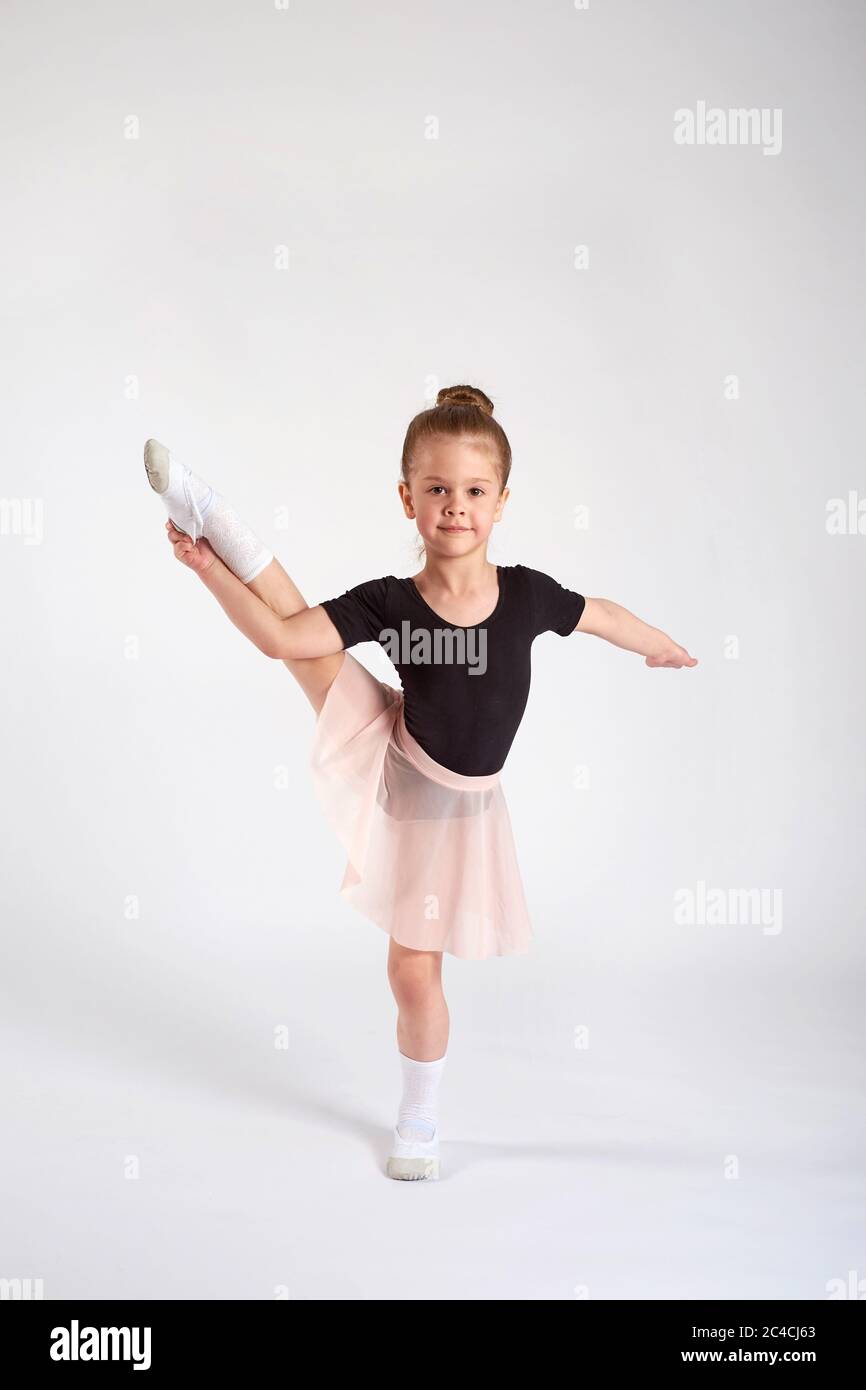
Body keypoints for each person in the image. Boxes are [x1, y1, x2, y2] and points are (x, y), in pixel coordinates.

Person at [143, 384, 697, 1182]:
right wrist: (204, 567)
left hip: (459, 807)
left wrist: (659, 643)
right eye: (437, 490)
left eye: (474, 492)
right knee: (410, 965)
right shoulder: (391, 602)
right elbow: (278, 635)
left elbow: (601, 613)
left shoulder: (529, 595)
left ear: (502, 502)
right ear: (408, 499)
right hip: (397, 757)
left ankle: (421, 1109)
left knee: (414, 967)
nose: (456, 507)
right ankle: (205, 509)